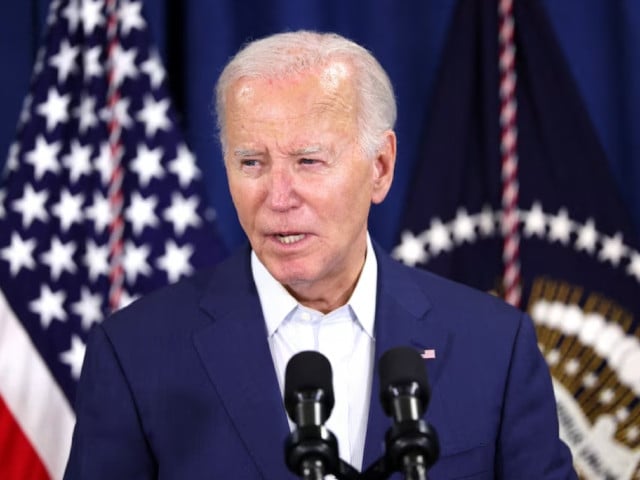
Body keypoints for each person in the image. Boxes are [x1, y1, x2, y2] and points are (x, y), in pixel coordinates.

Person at [64, 30, 577, 479]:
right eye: (251, 162)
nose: (279, 195)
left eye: (309, 161)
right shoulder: (135, 354)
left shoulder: (494, 346)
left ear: (380, 167)